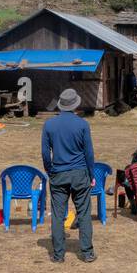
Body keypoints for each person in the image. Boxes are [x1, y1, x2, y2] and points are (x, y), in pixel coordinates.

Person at [40, 88, 96, 263]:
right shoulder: (82, 124)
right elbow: (89, 153)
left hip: (58, 174)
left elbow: (44, 152)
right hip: (80, 173)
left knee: (57, 215)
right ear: (75, 105)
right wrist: (91, 174)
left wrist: (50, 170)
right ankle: (86, 253)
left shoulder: (49, 125)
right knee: (84, 213)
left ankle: (58, 255)